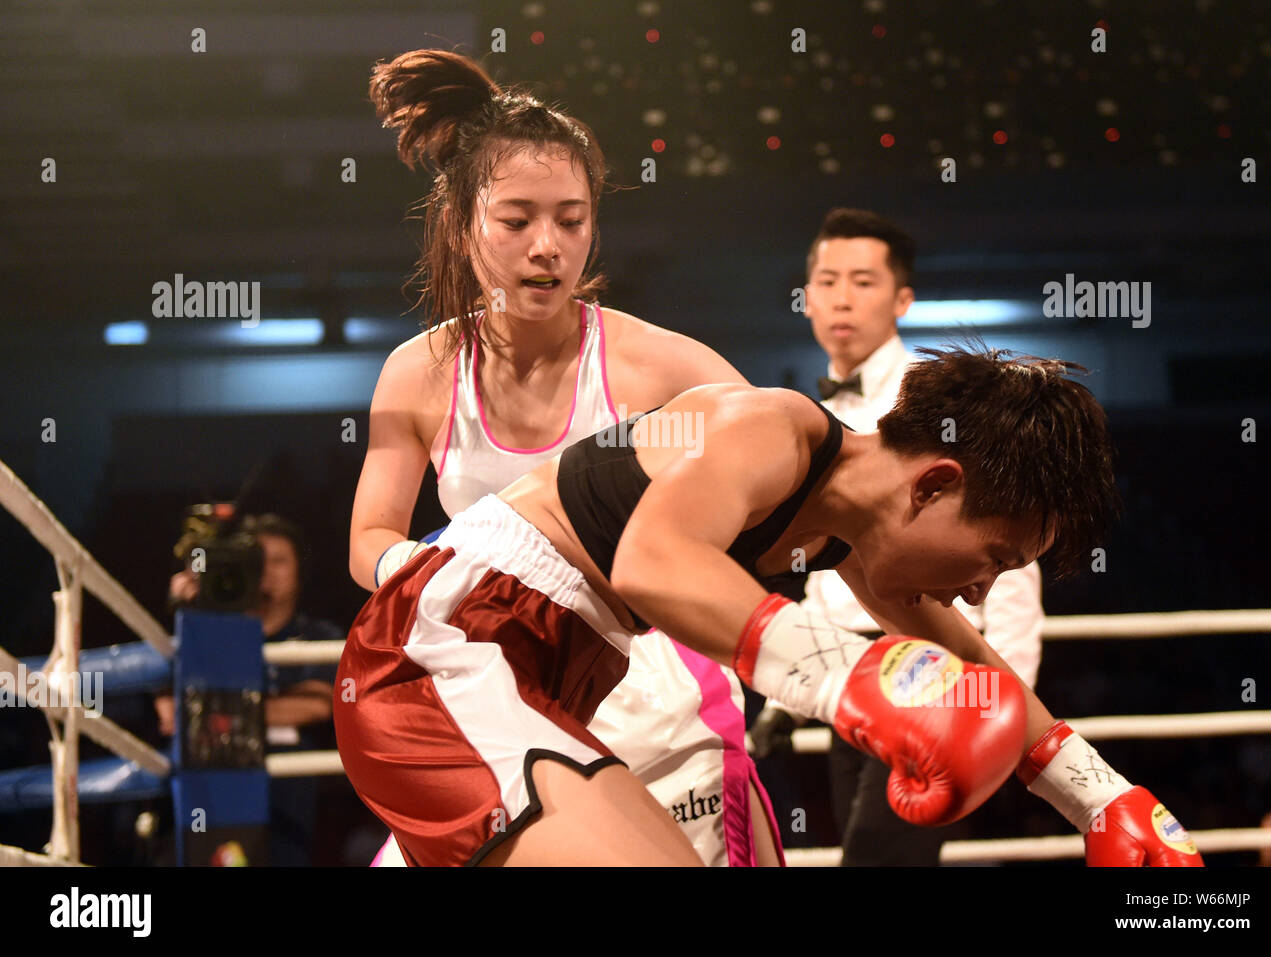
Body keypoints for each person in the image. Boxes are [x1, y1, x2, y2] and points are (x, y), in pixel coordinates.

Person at [335, 342, 1204, 867]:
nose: (983, 588)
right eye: (996, 557)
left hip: (539, 681)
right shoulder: (771, 427)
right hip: (451, 646)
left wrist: (1104, 798)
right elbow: (655, 561)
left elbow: (989, 681)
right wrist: (848, 678)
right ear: (935, 483)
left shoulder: (848, 534)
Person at [347, 49, 780, 866]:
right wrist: (447, 574)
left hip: (660, 705)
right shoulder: (418, 374)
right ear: (463, 222)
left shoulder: (665, 367)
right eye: (517, 220)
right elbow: (368, 536)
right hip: (492, 695)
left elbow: (796, 488)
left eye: (572, 219)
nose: (547, 246)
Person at [752, 208, 1045, 864]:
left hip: (936, 668)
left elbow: (1008, 557)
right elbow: (824, 571)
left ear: (903, 298)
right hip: (842, 678)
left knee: (876, 861)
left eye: (864, 281)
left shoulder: (939, 404)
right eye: (827, 281)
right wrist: (785, 693)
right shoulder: (808, 413)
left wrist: (1007, 714)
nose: (842, 298)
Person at [160, 513, 340, 866]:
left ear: (299, 573)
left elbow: (319, 704)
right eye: (257, 560)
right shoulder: (207, 629)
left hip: (285, 799)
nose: (267, 570)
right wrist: (184, 611)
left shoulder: (320, 636)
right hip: (206, 789)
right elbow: (170, 714)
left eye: (279, 560)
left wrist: (214, 715)